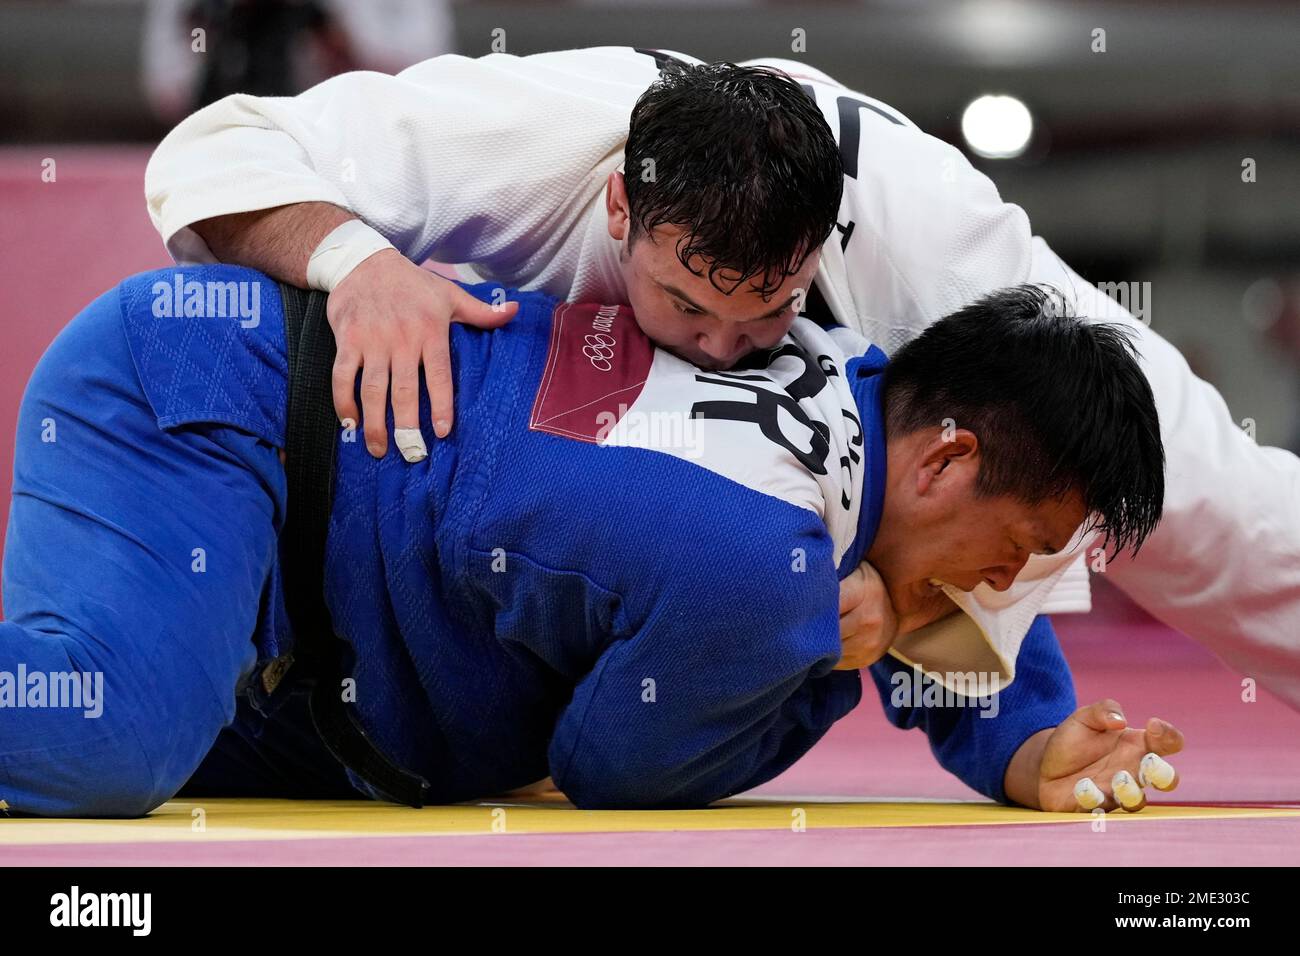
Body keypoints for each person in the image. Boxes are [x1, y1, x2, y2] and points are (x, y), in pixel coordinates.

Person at [143, 49, 1300, 708]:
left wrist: (903, 606)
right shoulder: (532, 134)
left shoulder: (917, 236)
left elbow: (1031, 489)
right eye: (685, 305)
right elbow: (210, 146)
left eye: (767, 316)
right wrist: (361, 265)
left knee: (1214, 502)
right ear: (616, 208)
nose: (718, 345)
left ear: (819, 254)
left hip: (898, 218)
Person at [0, 266, 1180, 817]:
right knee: (111, 737)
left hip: (285, 555)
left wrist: (1026, 739)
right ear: (946, 459)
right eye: (1019, 548)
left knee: (196, 739)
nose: (1000, 587)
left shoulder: (840, 359)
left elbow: (922, 568)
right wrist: (827, 659)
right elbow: (611, 767)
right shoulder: (763, 569)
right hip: (219, 402)